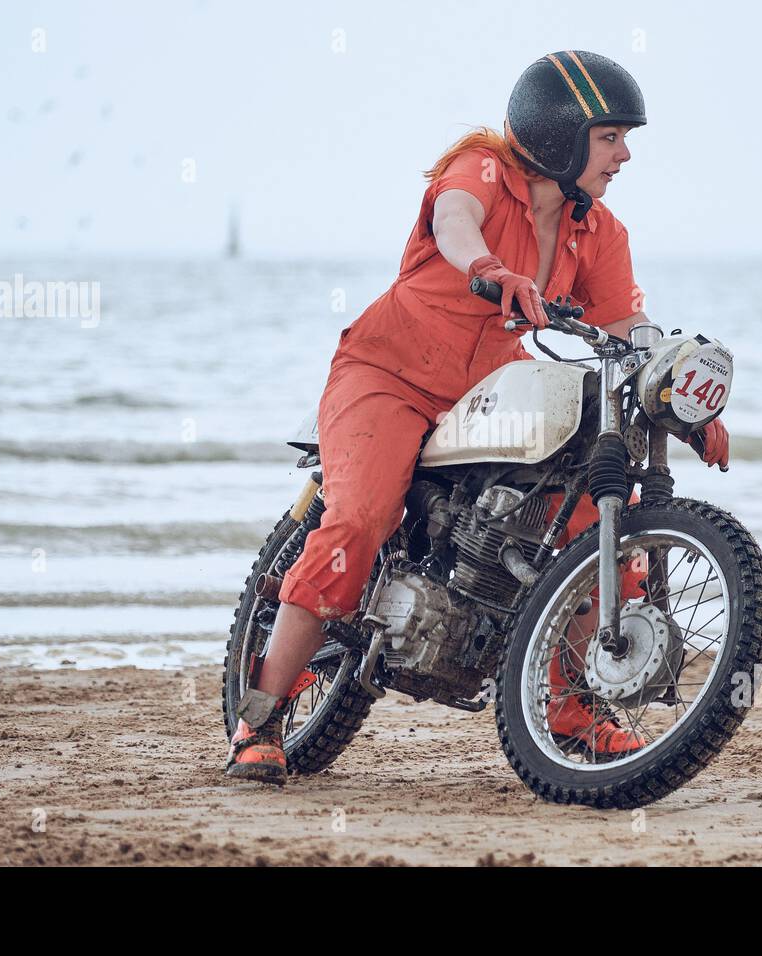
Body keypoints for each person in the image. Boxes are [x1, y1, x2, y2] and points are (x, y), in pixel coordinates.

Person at [227, 50, 730, 785]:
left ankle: (573, 714)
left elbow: (628, 324)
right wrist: (486, 267)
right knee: (360, 517)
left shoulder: (601, 234)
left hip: (482, 392)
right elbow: (453, 217)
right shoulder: (483, 172)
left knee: (587, 516)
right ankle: (260, 716)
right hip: (387, 375)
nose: (625, 154)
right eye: (611, 135)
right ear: (559, 132)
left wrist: (676, 392)